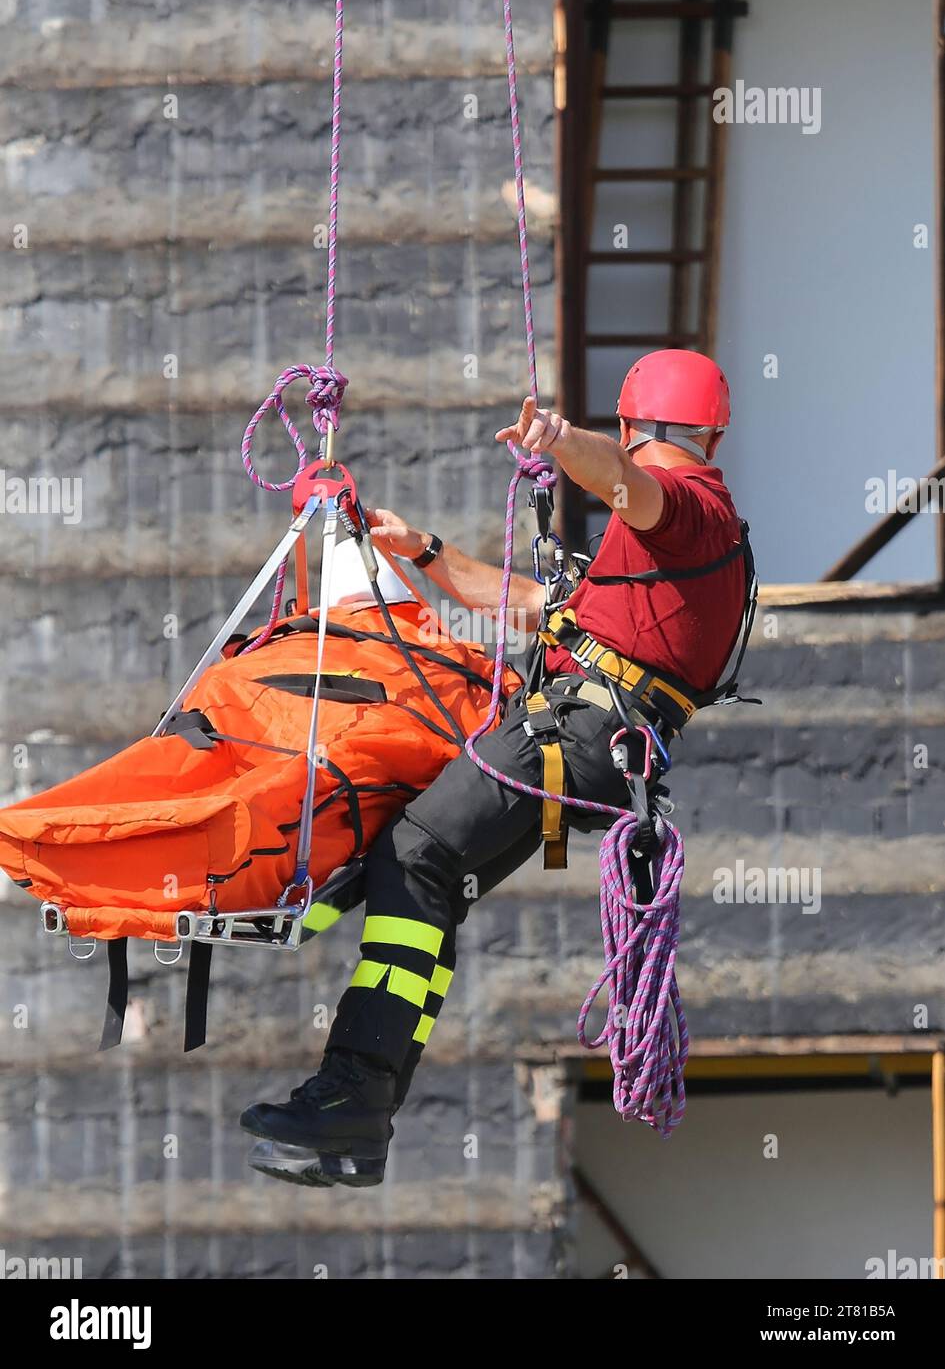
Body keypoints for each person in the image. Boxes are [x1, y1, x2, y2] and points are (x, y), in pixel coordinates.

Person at [240, 348, 753, 1188]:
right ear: (713, 430)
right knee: (430, 881)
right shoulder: (664, 549)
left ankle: (352, 1093)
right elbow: (529, 602)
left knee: (412, 855)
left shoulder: (688, 509)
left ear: (632, 425)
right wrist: (423, 550)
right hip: (590, 743)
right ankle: (357, 1116)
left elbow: (628, 482)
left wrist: (557, 440)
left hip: (580, 730)